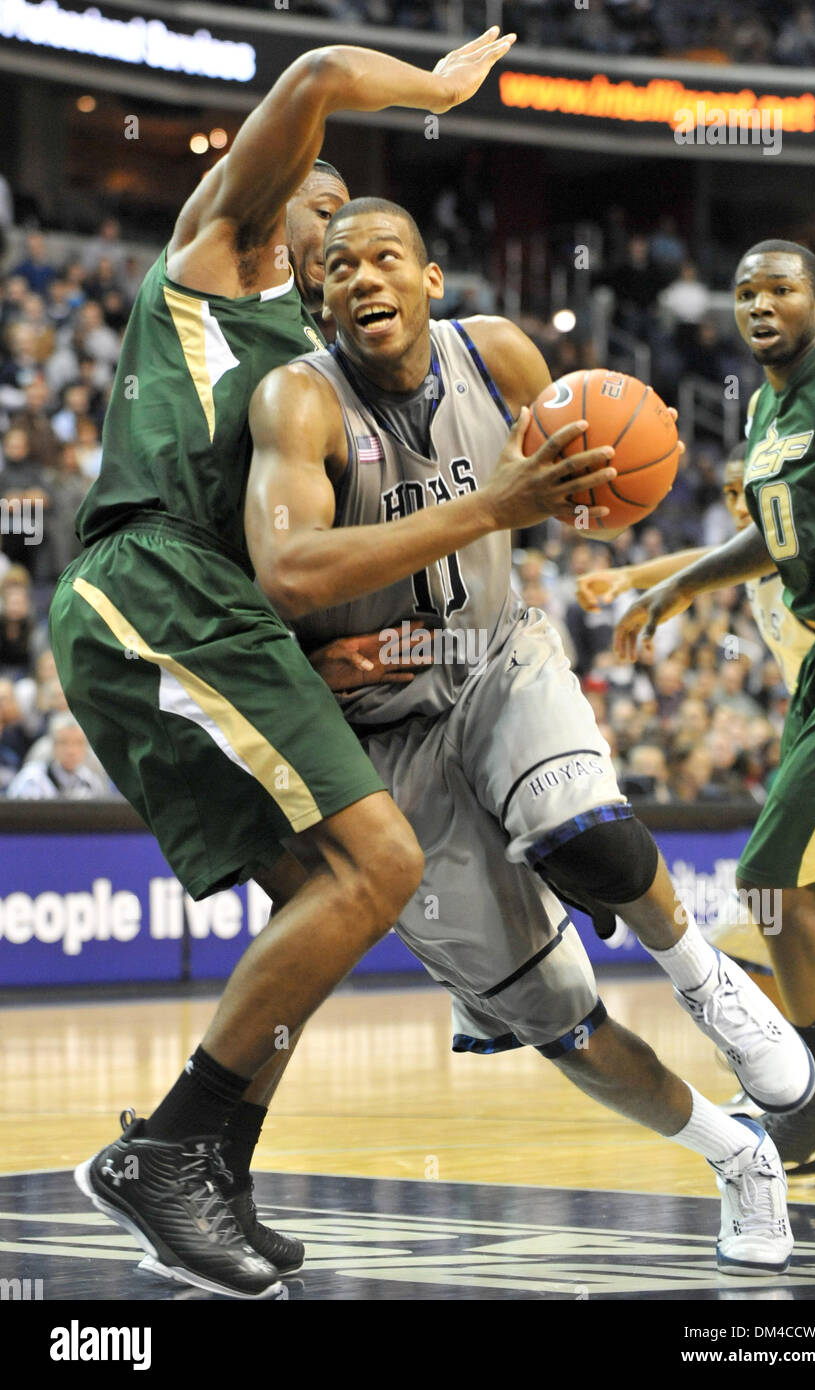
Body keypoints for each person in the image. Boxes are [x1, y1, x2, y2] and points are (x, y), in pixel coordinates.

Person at [243, 197, 815, 1276]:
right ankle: (736, 1154)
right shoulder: (296, 402)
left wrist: (608, 482)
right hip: (374, 742)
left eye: (385, 260)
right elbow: (288, 573)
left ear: (432, 282)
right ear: (316, 295)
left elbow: (600, 466)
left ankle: (709, 984)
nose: (363, 279)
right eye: (339, 269)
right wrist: (490, 508)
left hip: (493, 657)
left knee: (584, 831)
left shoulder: (496, 351)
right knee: (562, 1022)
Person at [49, 30, 518, 1300]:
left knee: (324, 898)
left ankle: (214, 1166)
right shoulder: (218, 258)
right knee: (384, 865)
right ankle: (166, 1151)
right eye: (318, 197)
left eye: (357, 219)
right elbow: (311, 80)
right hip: (151, 584)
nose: (328, 209)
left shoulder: (313, 380)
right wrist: (431, 91)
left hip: (208, 609)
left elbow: (291, 560)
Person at [615, 240, 815, 1175]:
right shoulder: (766, 407)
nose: (762, 304)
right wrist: (673, 588)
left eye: (783, 289)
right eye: (747, 292)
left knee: (767, 881)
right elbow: (775, 536)